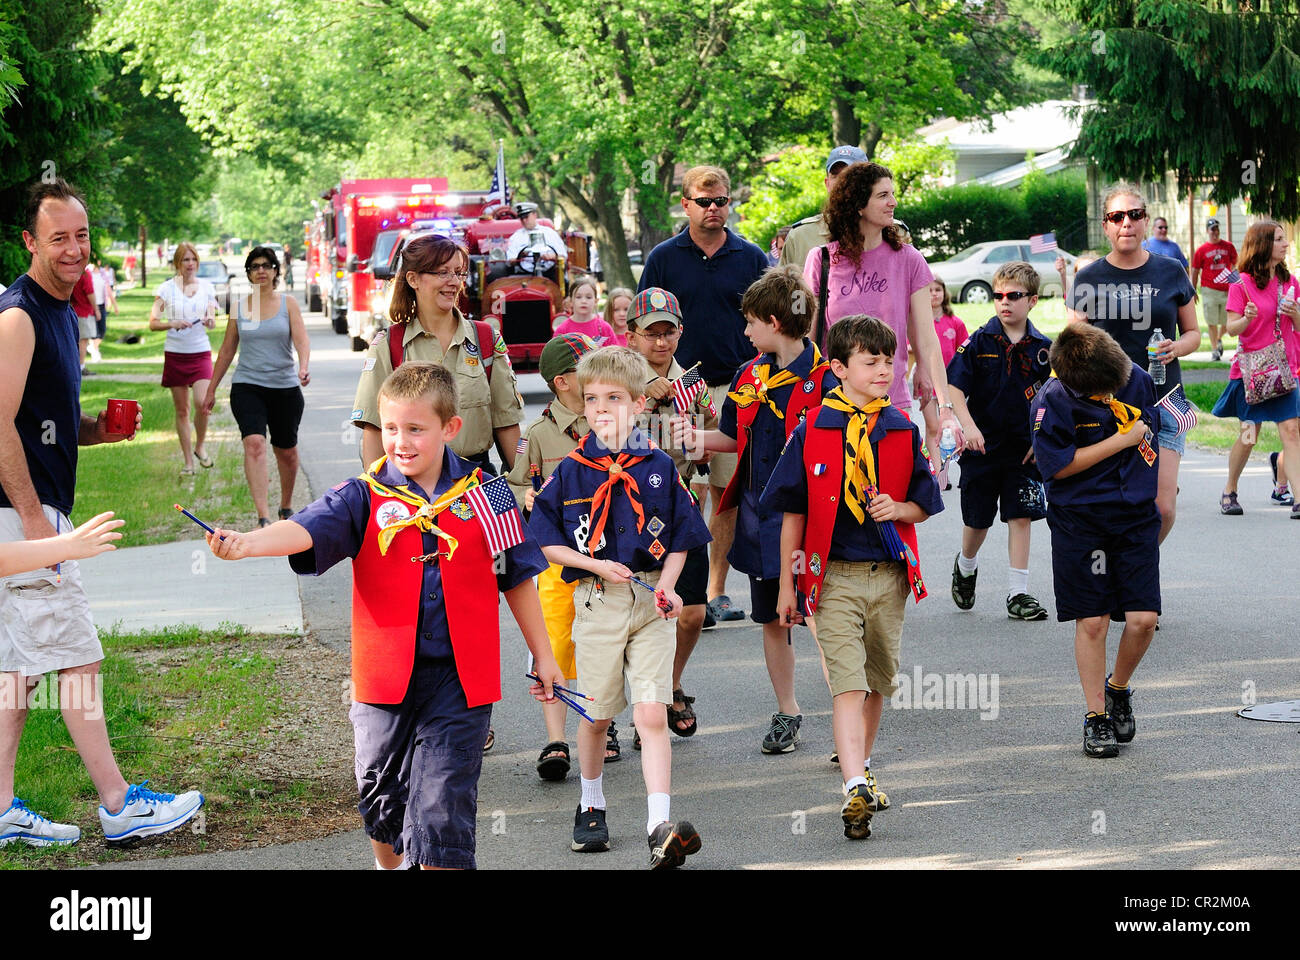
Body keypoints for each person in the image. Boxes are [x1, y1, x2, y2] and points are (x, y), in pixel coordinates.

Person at [206, 362, 564, 869]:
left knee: (443, 810)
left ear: (450, 428)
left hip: (460, 681)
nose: (401, 441)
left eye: (416, 429)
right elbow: (306, 530)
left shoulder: (488, 494)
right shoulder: (365, 495)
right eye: (391, 428)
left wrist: (543, 656)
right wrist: (248, 543)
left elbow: (518, 578)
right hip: (383, 681)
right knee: (382, 802)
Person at [0, 178, 203, 848]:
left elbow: (39, 423)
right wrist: (35, 524)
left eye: (81, 235)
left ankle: (0, 809)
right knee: (77, 659)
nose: (73, 248)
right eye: (57, 236)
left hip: (30, 514)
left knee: (18, 673)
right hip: (25, 516)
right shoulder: (19, 316)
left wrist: (94, 430)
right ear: (30, 240)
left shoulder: (61, 309)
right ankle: (118, 805)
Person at [529, 347, 711, 868]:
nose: (601, 408)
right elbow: (545, 540)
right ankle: (591, 802)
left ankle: (660, 823)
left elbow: (682, 533)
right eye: (591, 399)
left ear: (638, 405)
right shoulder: (572, 470)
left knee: (651, 712)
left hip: (651, 601)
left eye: (614, 398)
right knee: (598, 715)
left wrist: (672, 586)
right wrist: (592, 565)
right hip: (597, 601)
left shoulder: (657, 466)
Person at [765, 315, 943, 838]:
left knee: (878, 681)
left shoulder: (901, 429)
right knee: (847, 682)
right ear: (839, 367)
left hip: (887, 576)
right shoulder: (813, 427)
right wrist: (785, 584)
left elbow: (924, 504)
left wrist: (899, 508)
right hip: (832, 577)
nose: (884, 370)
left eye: (889, 360)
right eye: (872, 361)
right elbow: (792, 512)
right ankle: (852, 786)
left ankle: (862, 770)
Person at [673, 267, 838, 755]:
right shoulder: (749, 375)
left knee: (825, 621)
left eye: (749, 323)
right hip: (762, 519)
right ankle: (788, 711)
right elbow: (732, 437)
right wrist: (693, 440)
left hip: (815, 522)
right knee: (773, 618)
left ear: (773, 321)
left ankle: (845, 721)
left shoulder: (828, 379)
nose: (744, 332)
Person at [638, 164, 769, 623]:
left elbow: (771, 320)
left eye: (721, 201)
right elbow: (639, 326)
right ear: (686, 204)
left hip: (739, 389)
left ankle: (716, 590)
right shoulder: (663, 258)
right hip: (676, 391)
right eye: (704, 201)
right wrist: (644, 377)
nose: (714, 210)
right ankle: (683, 587)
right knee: (681, 489)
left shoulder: (751, 258)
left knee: (725, 492)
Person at [1030, 324, 1161, 759]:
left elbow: (1154, 430)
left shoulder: (1134, 377)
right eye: (1101, 393)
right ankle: (1095, 717)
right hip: (1081, 520)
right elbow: (1058, 466)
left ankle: (1118, 688)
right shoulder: (1052, 400)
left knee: (1143, 619)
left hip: (1135, 515)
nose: (1112, 393)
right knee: (1093, 621)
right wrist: (1120, 440)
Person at [1066, 183, 1199, 544]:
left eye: (1135, 215)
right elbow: (1072, 346)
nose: (1127, 223)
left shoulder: (1172, 271)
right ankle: (1123, 577)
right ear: (1106, 226)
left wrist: (1176, 348)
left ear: (1145, 222)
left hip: (1165, 400)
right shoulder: (1088, 278)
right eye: (1117, 216)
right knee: (1114, 501)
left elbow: (1193, 334)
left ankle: (1137, 568)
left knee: (1163, 507)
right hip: (1107, 405)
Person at [804, 161, 964, 446]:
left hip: (891, 402)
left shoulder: (908, 259)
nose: (894, 202)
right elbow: (807, 342)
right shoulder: (822, 260)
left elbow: (927, 341)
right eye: (883, 195)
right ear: (858, 205)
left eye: (892, 194)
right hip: (834, 403)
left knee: (892, 490)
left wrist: (945, 409)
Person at [503, 332, 603, 780]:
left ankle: (603, 721)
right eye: (587, 371)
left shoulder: (609, 423)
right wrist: (527, 496)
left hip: (604, 553)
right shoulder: (539, 433)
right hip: (556, 557)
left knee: (604, 640)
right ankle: (555, 740)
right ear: (563, 382)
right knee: (555, 642)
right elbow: (515, 482)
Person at [628, 288, 720, 742]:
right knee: (632, 612)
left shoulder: (695, 383)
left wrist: (698, 437)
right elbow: (596, 429)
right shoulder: (618, 378)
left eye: (669, 332)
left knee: (692, 611)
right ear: (632, 337)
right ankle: (623, 703)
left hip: (679, 507)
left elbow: (709, 443)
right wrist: (642, 397)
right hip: (628, 510)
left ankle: (669, 683)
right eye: (651, 333)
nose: (661, 342)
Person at [354, 234, 524, 476]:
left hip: (475, 483)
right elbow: (373, 429)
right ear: (413, 279)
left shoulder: (486, 339)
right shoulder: (389, 345)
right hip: (411, 486)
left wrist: (524, 486)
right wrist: (376, 493)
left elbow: (507, 424)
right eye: (442, 272)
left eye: (458, 272)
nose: (453, 281)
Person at [945, 261, 1053, 621]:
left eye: (1014, 296)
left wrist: (1041, 440)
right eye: (998, 296)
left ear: (1033, 300)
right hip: (981, 446)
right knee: (978, 521)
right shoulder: (979, 341)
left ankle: (1018, 594)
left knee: (1020, 516)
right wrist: (968, 427)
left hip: (1023, 449)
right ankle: (966, 565)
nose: (1004, 302)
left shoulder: (1044, 349)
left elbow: (1053, 399)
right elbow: (955, 388)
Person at [203, 246, 311, 528]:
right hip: (247, 385)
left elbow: (301, 339)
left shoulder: (288, 304)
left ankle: (286, 506)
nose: (261, 270)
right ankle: (263, 515)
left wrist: (303, 365)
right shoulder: (240, 307)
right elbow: (227, 350)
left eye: (266, 265)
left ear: (276, 270)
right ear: (249, 273)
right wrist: (212, 388)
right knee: (254, 444)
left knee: (286, 450)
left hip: (285, 387)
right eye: (255, 266)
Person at [1211, 220, 1300, 519]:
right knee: (1250, 434)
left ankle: (1298, 498)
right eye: (1278, 239)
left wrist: (1296, 315)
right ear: (1263, 245)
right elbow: (1232, 330)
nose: (1285, 244)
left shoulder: (1290, 283)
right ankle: (1230, 490)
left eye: (1284, 239)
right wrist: (1246, 318)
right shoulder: (1242, 285)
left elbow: (1298, 329)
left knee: (1291, 429)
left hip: (1286, 369)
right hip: (1253, 373)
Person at [149, 241, 218, 476]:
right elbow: (153, 323)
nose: (190, 264)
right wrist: (173, 323)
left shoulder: (207, 287)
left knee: (203, 403)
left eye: (193, 259)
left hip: (200, 352)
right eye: (185, 260)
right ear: (177, 263)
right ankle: (188, 462)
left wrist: (210, 320)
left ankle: (200, 446)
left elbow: (212, 318)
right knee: (182, 411)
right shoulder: (166, 289)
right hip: (176, 353)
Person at [778, 145, 869, 273]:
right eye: (835, 175)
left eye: (850, 174)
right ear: (827, 183)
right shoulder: (800, 237)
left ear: (868, 184)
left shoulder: (892, 234)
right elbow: (784, 291)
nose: (842, 182)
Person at [913, 279, 968, 487]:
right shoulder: (917, 320)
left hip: (948, 383)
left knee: (948, 428)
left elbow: (964, 350)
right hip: (926, 380)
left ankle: (946, 469)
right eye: (929, 290)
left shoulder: (955, 322)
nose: (934, 294)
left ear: (945, 293)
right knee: (932, 425)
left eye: (938, 290)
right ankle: (937, 471)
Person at [1190, 218, 1239, 361]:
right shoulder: (1202, 250)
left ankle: (1218, 338)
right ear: (1207, 231)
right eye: (1212, 229)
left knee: (1226, 322)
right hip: (1209, 289)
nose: (1215, 232)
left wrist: (1235, 285)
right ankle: (1214, 350)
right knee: (1211, 321)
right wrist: (1192, 290)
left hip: (1227, 289)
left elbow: (1236, 265)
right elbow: (1195, 270)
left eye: (1216, 229)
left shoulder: (1228, 247)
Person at [505, 202, 566, 281]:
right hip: (524, 276)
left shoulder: (549, 233)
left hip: (550, 274)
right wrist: (520, 256)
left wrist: (553, 256)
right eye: (521, 218)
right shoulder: (516, 237)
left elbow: (563, 255)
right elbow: (510, 260)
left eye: (526, 216)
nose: (524, 220)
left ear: (534, 215)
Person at [552, 276, 614, 344]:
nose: (584, 301)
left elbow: (615, 352)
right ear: (571, 301)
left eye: (588, 297)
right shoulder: (563, 330)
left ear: (596, 301)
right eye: (578, 297)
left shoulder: (604, 328)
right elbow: (554, 353)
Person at [70, 262, 96, 375]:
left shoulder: (71, 273)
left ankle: (76, 367)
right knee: (83, 341)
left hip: (73, 310)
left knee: (76, 341)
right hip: (84, 311)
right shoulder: (85, 274)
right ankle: (80, 367)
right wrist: (97, 309)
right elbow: (90, 292)